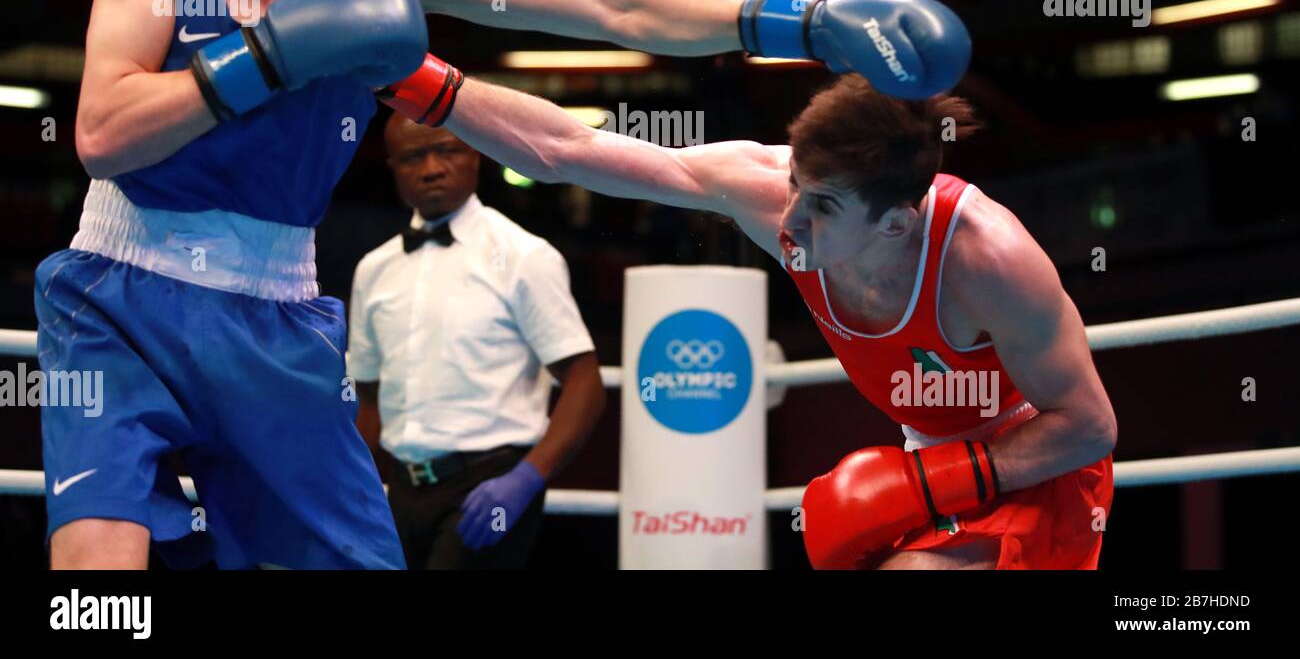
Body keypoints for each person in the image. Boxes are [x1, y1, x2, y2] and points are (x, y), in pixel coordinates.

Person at [36, 0, 966, 569]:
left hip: (278, 313)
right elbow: (103, 133)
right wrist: (273, 54)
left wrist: (794, 24)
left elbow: (605, 2)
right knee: (101, 567)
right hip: (121, 295)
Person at [380, 52, 1119, 571]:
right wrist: (417, 79)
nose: (791, 221)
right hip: (931, 453)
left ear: (897, 222)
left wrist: (925, 484)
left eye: (824, 206)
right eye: (795, 183)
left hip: (1037, 465)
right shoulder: (769, 193)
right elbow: (568, 146)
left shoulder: (987, 258)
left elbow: (1091, 427)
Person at [348, 115, 605, 569]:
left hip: (491, 482)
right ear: (392, 166)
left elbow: (584, 380)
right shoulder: (374, 269)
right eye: (413, 156)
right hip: (402, 489)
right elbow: (369, 396)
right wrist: (353, 487)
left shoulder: (524, 256)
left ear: (475, 154)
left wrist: (529, 476)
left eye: (446, 151)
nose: (431, 168)